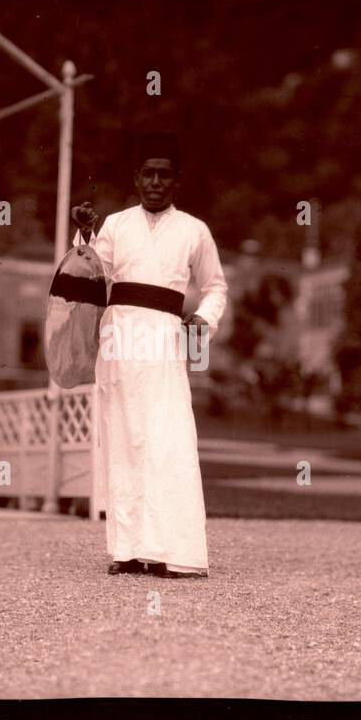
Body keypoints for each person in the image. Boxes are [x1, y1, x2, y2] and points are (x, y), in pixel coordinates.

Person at [71, 132, 228, 578]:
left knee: (166, 441)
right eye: (148, 174)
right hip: (119, 341)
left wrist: (204, 320)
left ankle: (168, 551)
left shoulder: (195, 230)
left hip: (163, 343)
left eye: (165, 174)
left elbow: (215, 286)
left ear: (177, 182)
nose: (156, 182)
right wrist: (85, 232)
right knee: (122, 439)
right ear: (136, 179)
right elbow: (89, 277)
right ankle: (126, 549)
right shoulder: (115, 225)